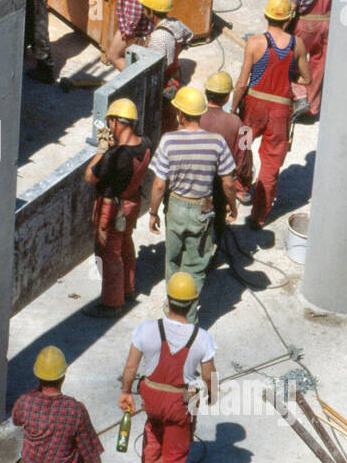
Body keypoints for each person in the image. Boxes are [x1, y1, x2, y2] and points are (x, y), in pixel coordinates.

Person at [118, 272, 215, 463]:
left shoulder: (146, 329)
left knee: (154, 425)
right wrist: (212, 396)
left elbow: (130, 368)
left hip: (151, 397)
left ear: (168, 299)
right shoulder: (202, 338)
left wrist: (126, 392)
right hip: (179, 402)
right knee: (176, 451)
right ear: (193, 303)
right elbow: (208, 376)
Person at [147, 86, 238, 319]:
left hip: (175, 207)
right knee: (196, 265)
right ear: (199, 114)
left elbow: (159, 185)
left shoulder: (168, 141)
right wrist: (233, 206)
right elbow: (228, 183)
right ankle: (187, 318)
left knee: (173, 260)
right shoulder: (216, 143)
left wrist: (153, 212)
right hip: (202, 209)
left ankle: (172, 308)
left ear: (181, 115)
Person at [231, 0, 310, 230]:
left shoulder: (254, 43)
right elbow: (308, 78)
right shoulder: (297, 44)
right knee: (272, 161)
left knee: (243, 145)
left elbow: (242, 83)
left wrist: (235, 108)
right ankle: (259, 215)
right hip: (280, 111)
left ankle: (242, 187)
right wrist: (288, 76)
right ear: (288, 19)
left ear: (266, 16)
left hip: (253, 107)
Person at [82, 98, 152, 318]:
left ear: (117, 123)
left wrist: (102, 150)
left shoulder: (115, 156)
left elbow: (90, 176)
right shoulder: (145, 144)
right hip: (132, 203)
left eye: (110, 121)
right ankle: (128, 289)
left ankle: (112, 303)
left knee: (109, 253)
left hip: (112, 208)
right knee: (125, 243)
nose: (109, 126)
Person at [198, 71, 253, 234]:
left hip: (194, 179)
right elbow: (244, 158)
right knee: (218, 219)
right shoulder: (237, 122)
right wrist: (244, 178)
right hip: (221, 182)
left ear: (206, 93)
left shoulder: (193, 117)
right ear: (227, 97)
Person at [139, 0, 194, 135]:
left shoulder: (158, 38)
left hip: (163, 84)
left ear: (151, 12)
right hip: (175, 76)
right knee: (168, 115)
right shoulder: (175, 23)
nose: (143, 12)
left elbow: (155, 69)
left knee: (162, 119)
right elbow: (189, 36)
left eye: (145, 9)